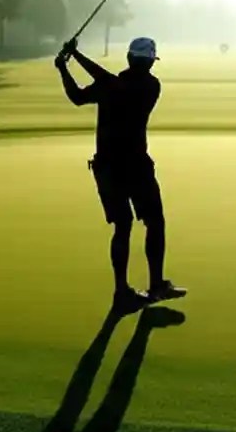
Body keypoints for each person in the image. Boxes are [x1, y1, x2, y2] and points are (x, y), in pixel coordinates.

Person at [56, 36, 185, 312]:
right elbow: (79, 97)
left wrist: (71, 61)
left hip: (109, 167)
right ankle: (149, 286)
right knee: (151, 222)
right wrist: (66, 65)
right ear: (150, 61)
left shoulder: (133, 85)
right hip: (133, 165)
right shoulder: (146, 83)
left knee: (125, 226)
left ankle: (129, 290)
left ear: (129, 58)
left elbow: (89, 93)